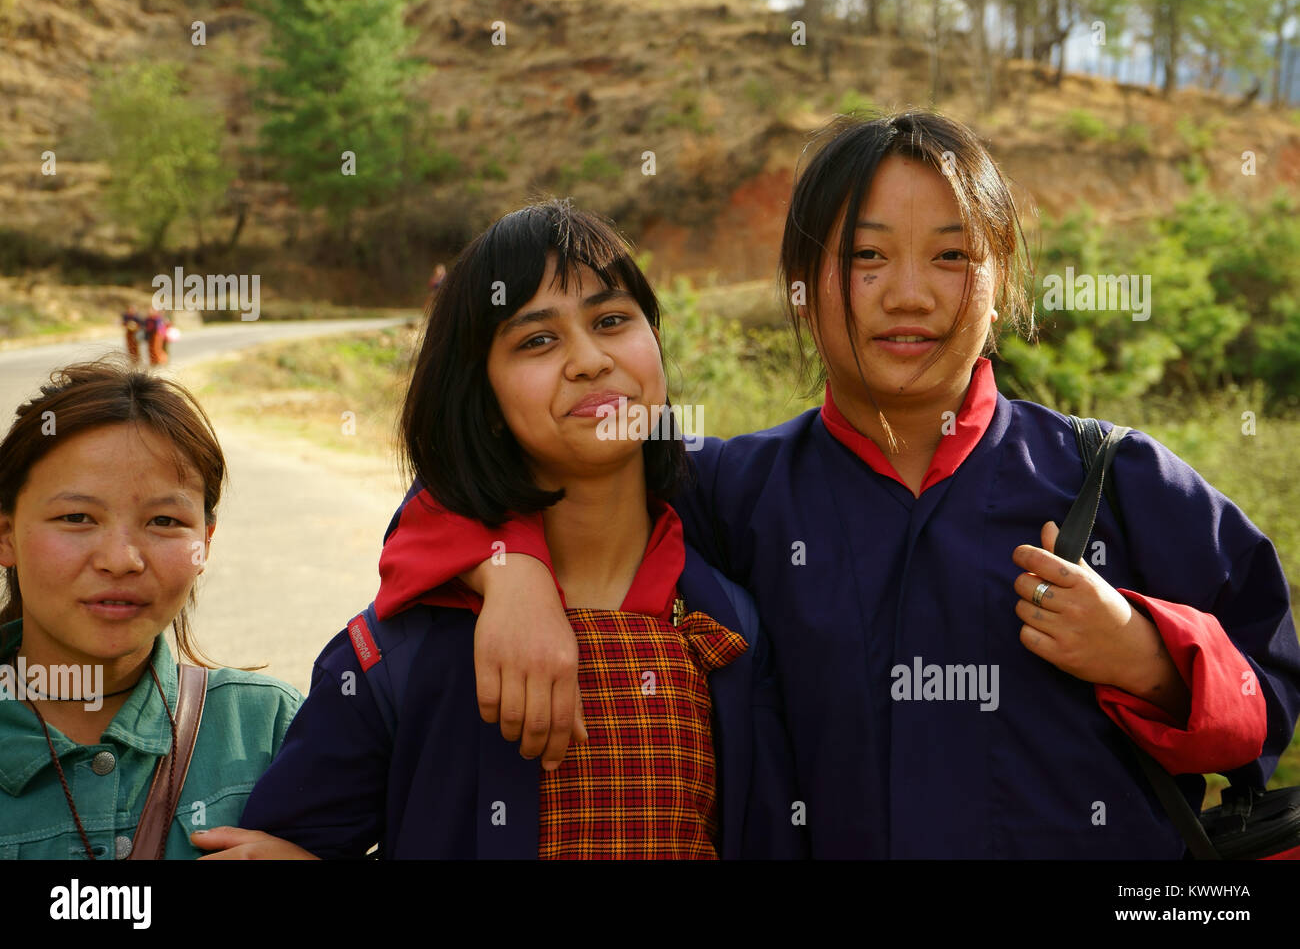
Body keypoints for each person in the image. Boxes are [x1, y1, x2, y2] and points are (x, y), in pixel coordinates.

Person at [374, 111, 1300, 858]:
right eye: (866, 256)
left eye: (951, 255)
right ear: (801, 288)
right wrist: (512, 569)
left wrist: (1148, 654)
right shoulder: (730, 491)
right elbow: (491, 484)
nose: (909, 294)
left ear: (1001, 280)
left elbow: (1271, 700)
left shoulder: (1114, 475)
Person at [215, 201, 803, 859]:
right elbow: (285, 843)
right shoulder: (399, 653)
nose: (588, 360)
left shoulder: (731, 631)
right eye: (537, 341)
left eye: (612, 321)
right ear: (484, 404)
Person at [0, 360, 303, 859]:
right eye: (76, 517)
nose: (121, 560)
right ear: (6, 534)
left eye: (163, 520)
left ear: (204, 543)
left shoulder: (267, 727)